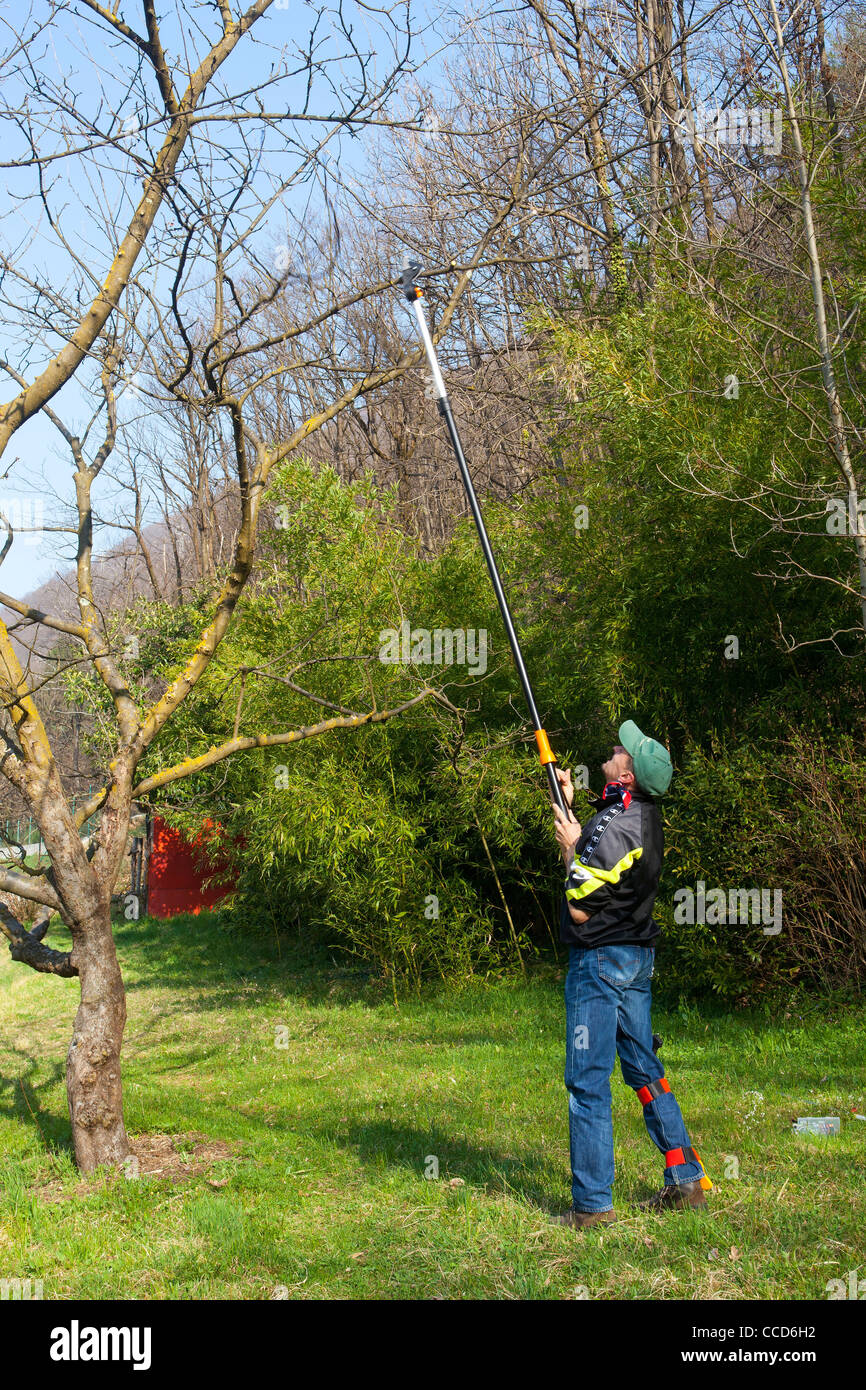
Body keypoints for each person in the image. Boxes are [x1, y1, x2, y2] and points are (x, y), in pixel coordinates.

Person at [550, 720, 710, 1228]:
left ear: (629, 773)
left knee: (588, 1082)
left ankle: (593, 1209)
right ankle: (686, 1180)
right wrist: (574, 814)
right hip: (634, 960)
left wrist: (573, 844)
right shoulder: (640, 817)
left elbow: (580, 904)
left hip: (599, 962)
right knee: (644, 1070)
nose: (618, 746)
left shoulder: (612, 827)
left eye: (626, 749)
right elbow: (603, 861)